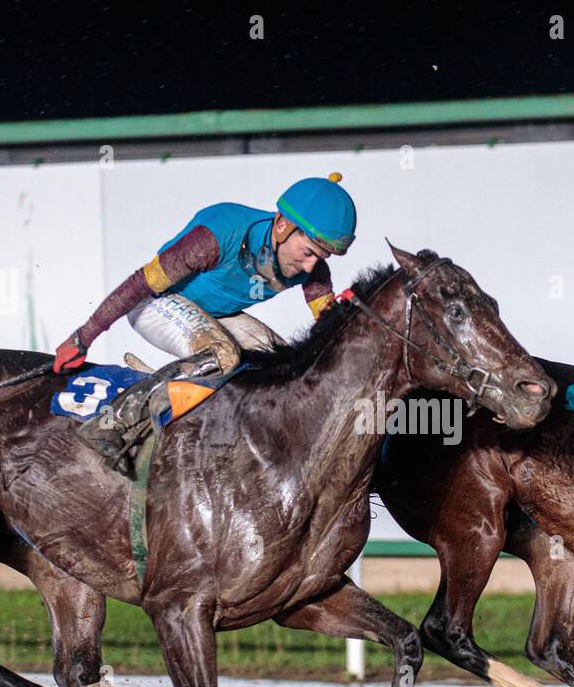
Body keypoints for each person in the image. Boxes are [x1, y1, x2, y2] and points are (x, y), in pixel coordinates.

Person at [52, 174, 356, 471]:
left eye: (322, 257)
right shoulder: (217, 235)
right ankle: (115, 422)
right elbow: (140, 284)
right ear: (281, 225)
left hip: (216, 315)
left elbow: (328, 327)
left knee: (283, 362)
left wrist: (350, 315)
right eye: (308, 253)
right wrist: (82, 338)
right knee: (223, 354)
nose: (310, 266)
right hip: (154, 303)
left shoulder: (312, 267)